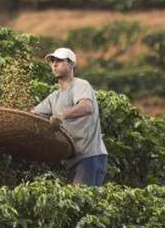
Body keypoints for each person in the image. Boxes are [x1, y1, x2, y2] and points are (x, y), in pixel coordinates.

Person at [32, 47, 108, 186]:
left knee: (81, 201)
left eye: (60, 61)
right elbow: (32, 115)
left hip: (89, 156)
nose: (54, 64)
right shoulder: (54, 97)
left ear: (72, 64)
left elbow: (86, 107)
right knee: (72, 201)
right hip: (71, 159)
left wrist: (61, 116)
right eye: (52, 61)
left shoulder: (80, 85)